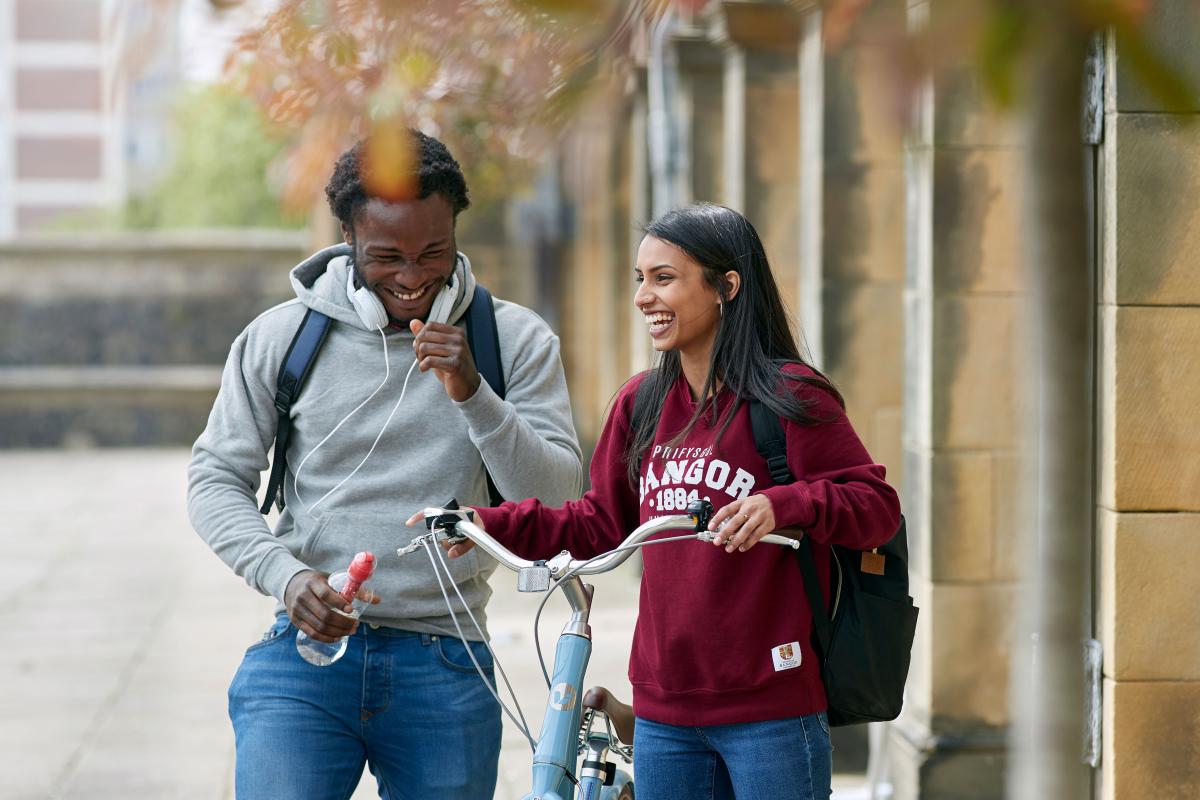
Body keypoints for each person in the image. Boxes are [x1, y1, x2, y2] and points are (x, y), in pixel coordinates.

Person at [431, 204, 900, 800]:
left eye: (664, 278)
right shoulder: (642, 404)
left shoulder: (789, 395)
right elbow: (601, 523)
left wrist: (784, 504)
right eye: (639, 279)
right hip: (664, 715)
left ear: (727, 286)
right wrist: (485, 520)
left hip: (772, 710)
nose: (643, 297)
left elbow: (875, 505)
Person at [187, 129, 583, 800]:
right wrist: (286, 578)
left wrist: (473, 394)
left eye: (433, 252)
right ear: (347, 238)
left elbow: (557, 501)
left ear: (457, 230)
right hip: (303, 659)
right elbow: (213, 480)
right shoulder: (281, 339)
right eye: (385, 257)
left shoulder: (512, 341)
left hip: (448, 661)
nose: (410, 277)